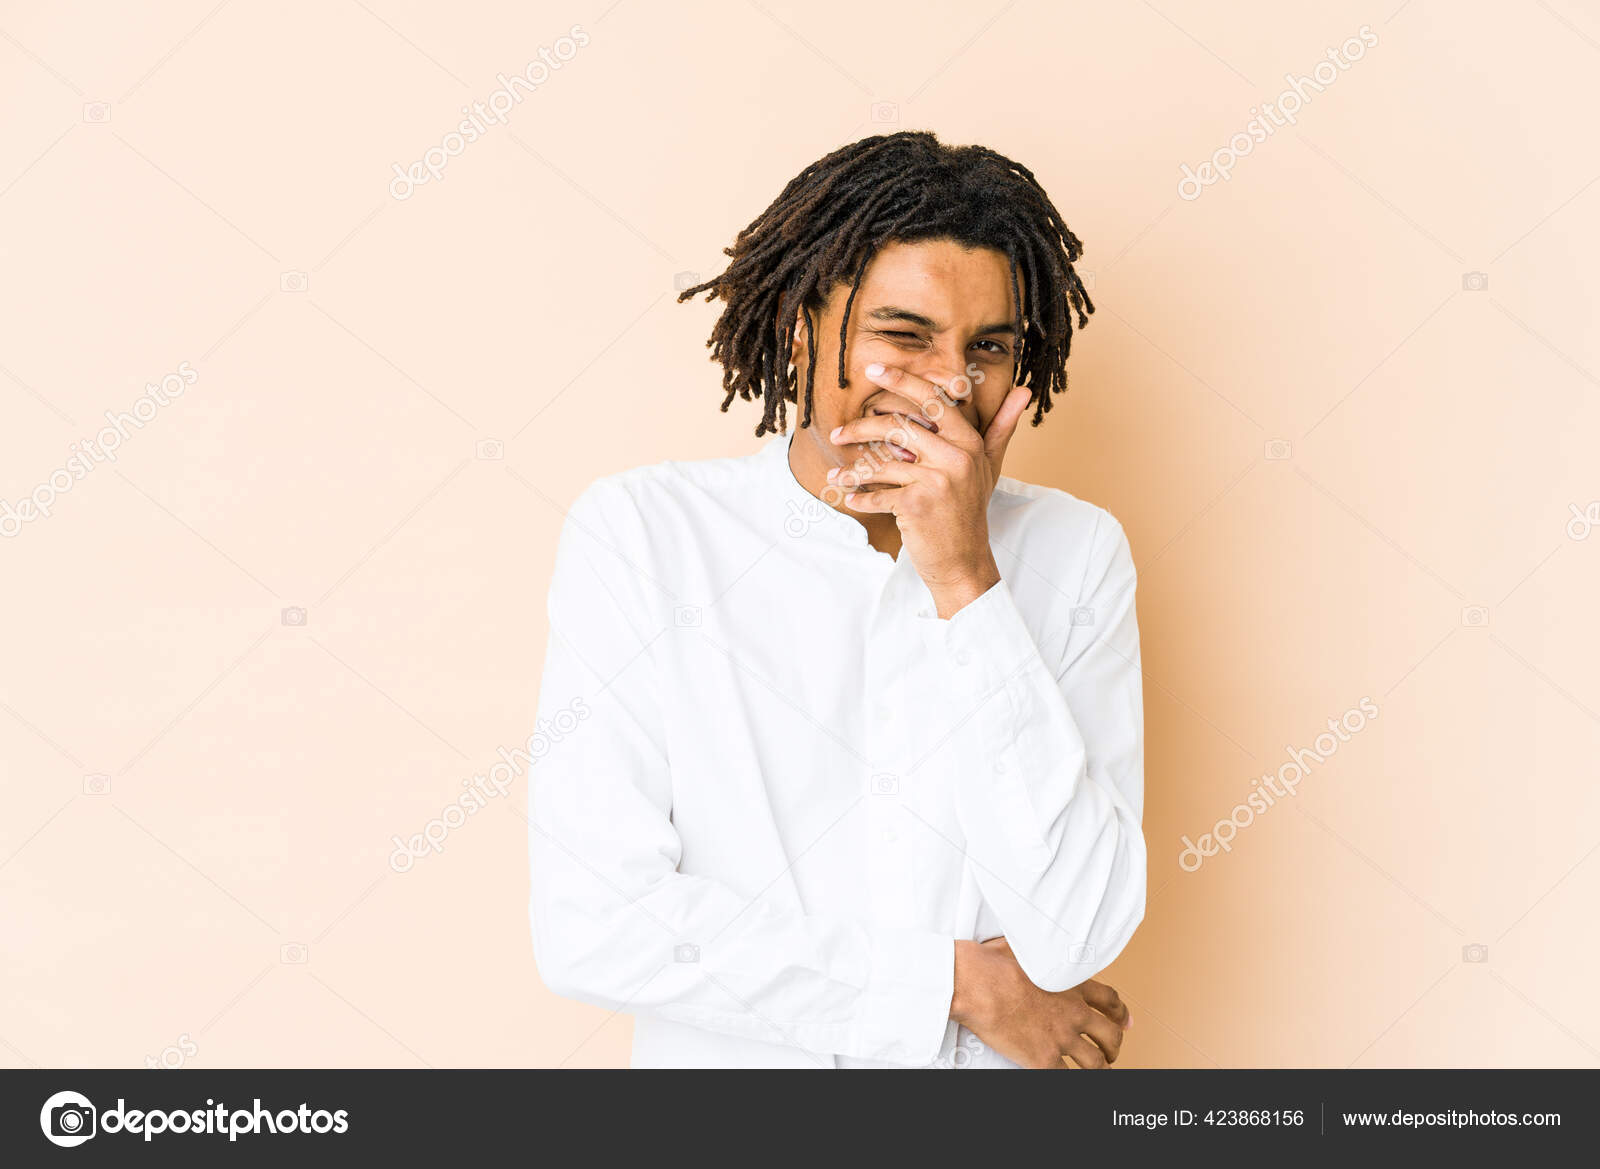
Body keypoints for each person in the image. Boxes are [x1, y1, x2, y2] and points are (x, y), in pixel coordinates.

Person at [529, 131, 1144, 1069]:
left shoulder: (1076, 552)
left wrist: (965, 578)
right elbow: (599, 923)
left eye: (988, 346)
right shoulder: (645, 536)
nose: (951, 383)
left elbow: (1077, 932)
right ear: (801, 331)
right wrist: (956, 986)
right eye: (904, 335)